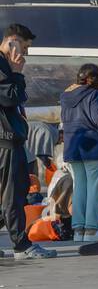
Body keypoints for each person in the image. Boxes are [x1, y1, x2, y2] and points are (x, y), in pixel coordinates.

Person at [0, 23, 56, 259]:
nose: (26, 53)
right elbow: (10, 98)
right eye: (25, 46)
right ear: (12, 42)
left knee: (14, 191)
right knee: (14, 193)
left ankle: (19, 242)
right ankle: (21, 246)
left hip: (9, 137)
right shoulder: (4, 66)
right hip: (6, 138)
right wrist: (17, 72)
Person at [59, 63, 98, 243]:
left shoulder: (65, 95)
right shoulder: (93, 94)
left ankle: (78, 231)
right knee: (95, 189)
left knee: (80, 188)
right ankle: (92, 230)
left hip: (72, 147)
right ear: (95, 78)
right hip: (93, 148)